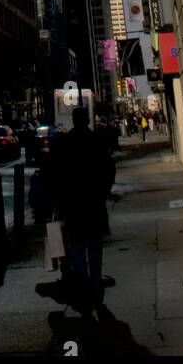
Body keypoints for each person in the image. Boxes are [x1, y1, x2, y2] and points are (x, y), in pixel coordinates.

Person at [48, 108, 116, 316]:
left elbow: (57, 174)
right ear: (87, 120)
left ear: (74, 121)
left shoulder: (64, 143)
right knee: (95, 250)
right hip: (93, 203)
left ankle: (84, 289)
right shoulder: (97, 141)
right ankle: (95, 290)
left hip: (73, 206)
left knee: (77, 249)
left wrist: (59, 199)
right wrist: (103, 191)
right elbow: (109, 169)